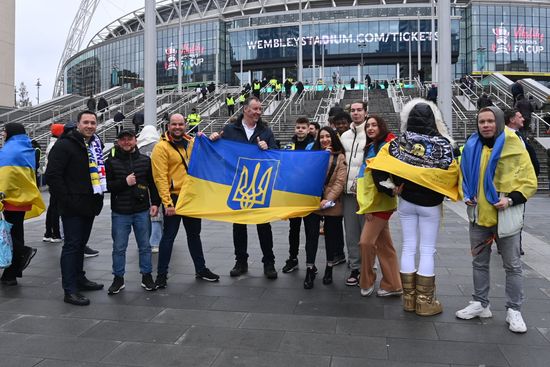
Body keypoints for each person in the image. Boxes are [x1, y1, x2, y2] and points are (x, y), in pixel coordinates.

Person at [368, 98, 458, 316]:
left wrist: (391, 188)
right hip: (430, 204)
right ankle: (425, 302)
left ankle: (409, 299)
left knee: (408, 247)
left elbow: (377, 168)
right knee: (427, 250)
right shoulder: (444, 145)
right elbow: (452, 169)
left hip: (406, 201)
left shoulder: (398, 143)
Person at [456, 106, 537, 333]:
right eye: (482, 121)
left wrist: (511, 200)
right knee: (479, 262)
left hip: (505, 215)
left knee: (512, 265)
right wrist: (466, 193)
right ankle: (480, 303)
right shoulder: (471, 146)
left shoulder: (514, 145)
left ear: (499, 122)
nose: (486, 125)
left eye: (490, 121)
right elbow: (461, 173)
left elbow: (530, 181)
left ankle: (514, 310)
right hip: (479, 215)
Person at [209, 97, 278, 279]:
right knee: (239, 224)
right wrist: (213, 138)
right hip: (237, 183)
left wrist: (267, 147)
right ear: (245, 109)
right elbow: (217, 147)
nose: (258, 112)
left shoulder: (265, 131)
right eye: (255, 109)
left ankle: (269, 262)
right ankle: (241, 261)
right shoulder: (231, 130)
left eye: (260, 109)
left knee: (264, 224)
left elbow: (276, 153)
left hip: (259, 183)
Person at [46, 110, 107, 306]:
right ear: (78, 124)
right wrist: (66, 200)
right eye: (86, 122)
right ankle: (70, 289)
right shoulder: (64, 145)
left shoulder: (94, 145)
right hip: (72, 205)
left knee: (81, 244)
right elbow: (53, 176)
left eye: (93, 123)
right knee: (72, 246)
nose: (90, 126)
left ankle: (80, 278)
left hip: (89, 204)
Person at [151, 114, 219, 288]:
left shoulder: (192, 143)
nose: (177, 127)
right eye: (174, 124)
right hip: (174, 198)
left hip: (191, 197)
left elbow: (209, 153)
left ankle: (201, 269)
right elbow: (160, 178)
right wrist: (167, 203)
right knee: (168, 237)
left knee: (194, 235)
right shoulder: (161, 148)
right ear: (168, 126)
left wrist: (211, 138)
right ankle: (161, 275)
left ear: (185, 125)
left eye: (180, 124)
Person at [105, 129, 161, 294]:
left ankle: (146, 275)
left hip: (141, 210)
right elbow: (107, 186)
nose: (127, 142)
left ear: (135, 141)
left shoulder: (145, 161)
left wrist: (155, 203)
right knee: (119, 247)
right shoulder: (111, 162)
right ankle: (118, 278)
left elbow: (152, 183)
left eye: (130, 139)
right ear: (118, 142)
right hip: (120, 212)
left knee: (145, 246)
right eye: (123, 140)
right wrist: (125, 182)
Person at [356, 115, 402, 297]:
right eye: (368, 126)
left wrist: (394, 188)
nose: (370, 128)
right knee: (384, 245)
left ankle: (367, 280)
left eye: (374, 125)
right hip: (373, 201)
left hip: (380, 202)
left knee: (365, 242)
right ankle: (393, 284)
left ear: (381, 126)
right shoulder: (372, 146)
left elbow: (389, 172)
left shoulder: (387, 145)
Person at [301, 127, 347, 288]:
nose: (325, 139)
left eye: (328, 136)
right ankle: (309, 269)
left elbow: (340, 182)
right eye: (321, 137)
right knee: (311, 237)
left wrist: (328, 199)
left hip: (331, 203)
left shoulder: (340, 157)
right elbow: (305, 175)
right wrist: (322, 157)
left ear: (333, 138)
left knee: (331, 238)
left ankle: (329, 268)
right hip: (312, 202)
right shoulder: (312, 156)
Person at [0, 123, 43, 286]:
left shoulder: (9, 150)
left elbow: (4, 176)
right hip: (23, 198)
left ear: (11, 132)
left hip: (9, 199)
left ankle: (23, 251)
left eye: (4, 131)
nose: (3, 133)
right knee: (16, 233)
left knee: (7, 235)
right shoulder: (26, 147)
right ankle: (11, 274)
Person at [282, 117, 315, 274]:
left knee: (310, 230)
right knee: (293, 229)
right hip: (293, 193)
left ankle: (311, 261)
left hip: (309, 193)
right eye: (298, 127)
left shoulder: (315, 146)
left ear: (309, 129)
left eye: (303, 127)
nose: (300, 130)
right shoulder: (289, 145)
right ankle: (292, 258)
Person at [340, 101, 368, 286]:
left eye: (359, 110)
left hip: (366, 193)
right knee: (351, 233)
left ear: (366, 112)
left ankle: (368, 266)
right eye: (353, 110)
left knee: (367, 234)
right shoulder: (345, 135)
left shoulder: (372, 133)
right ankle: (356, 267)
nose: (356, 113)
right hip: (348, 192)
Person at [137, 125, 163, 253]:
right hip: (158, 184)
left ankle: (145, 241)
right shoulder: (159, 145)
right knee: (158, 214)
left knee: (144, 215)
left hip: (142, 185)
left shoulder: (139, 147)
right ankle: (156, 241)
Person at [43, 123, 65, 243]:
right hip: (55, 179)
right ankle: (55, 234)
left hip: (50, 178)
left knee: (53, 206)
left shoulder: (52, 143)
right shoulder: (57, 145)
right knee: (56, 206)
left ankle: (48, 232)